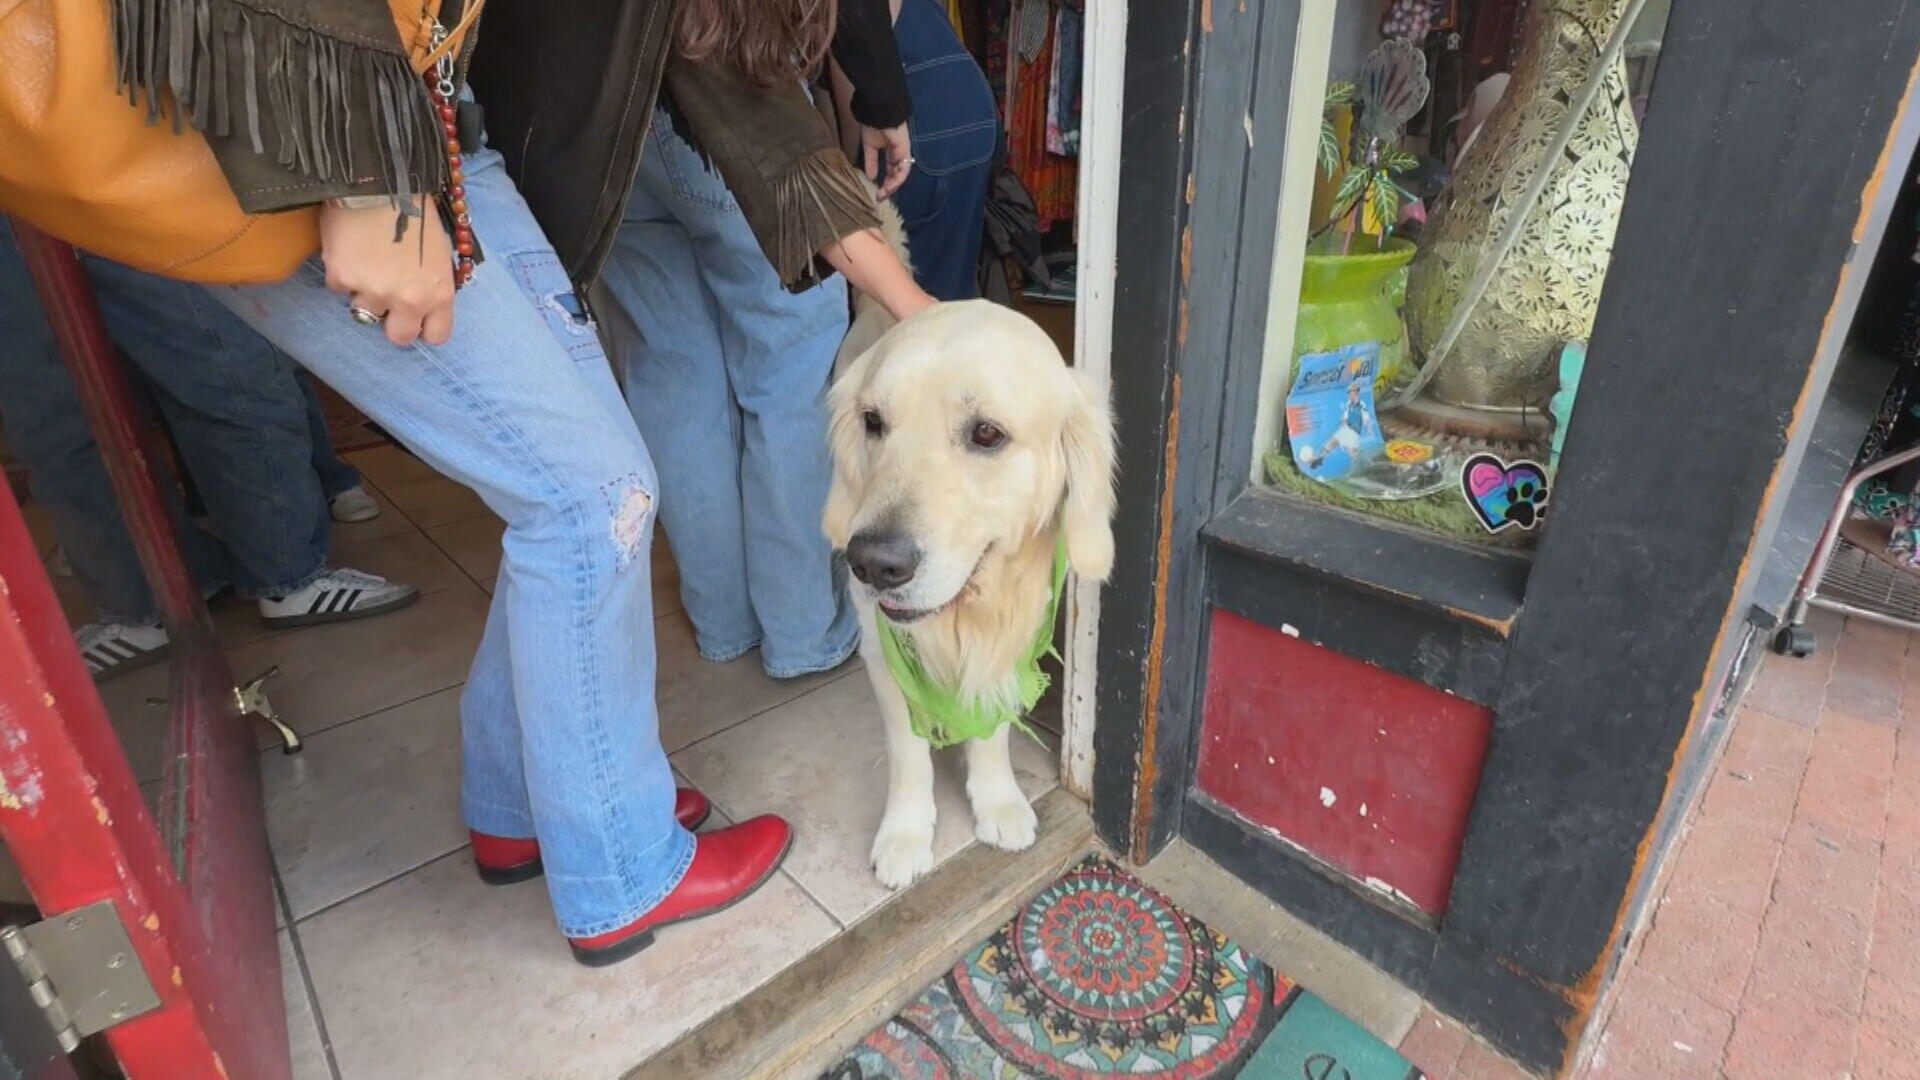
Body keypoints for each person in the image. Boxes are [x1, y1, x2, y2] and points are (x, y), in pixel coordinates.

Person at [48, 0, 932, 965]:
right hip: (311, 127)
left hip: (444, 135)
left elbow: (722, 85)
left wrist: (908, 303)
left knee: (585, 485)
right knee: (591, 498)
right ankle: (621, 870)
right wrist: (364, 177)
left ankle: (523, 805)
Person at [600, 0, 924, 680]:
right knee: (790, 375)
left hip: (605, 112)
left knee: (672, 376)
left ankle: (723, 621)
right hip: (729, 82)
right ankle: (803, 632)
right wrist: (881, 97)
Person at [0, 226, 419, 682]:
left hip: (106, 177)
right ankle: (144, 605)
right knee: (51, 410)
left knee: (221, 364)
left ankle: (287, 577)